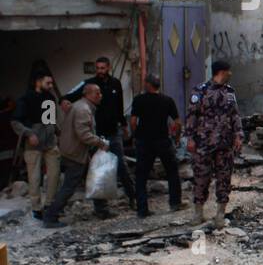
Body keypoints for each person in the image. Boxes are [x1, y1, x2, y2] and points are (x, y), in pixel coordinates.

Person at [65, 56, 134, 206]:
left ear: (108, 67)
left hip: (114, 133)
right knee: (97, 170)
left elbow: (119, 107)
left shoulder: (115, 83)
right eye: (98, 68)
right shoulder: (89, 84)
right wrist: (65, 104)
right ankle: (101, 209)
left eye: (103, 68)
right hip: (96, 135)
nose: (100, 71)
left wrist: (124, 125)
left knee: (122, 166)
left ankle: (133, 198)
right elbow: (67, 97)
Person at [184, 60, 242, 228]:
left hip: (225, 145)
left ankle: (220, 214)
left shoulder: (230, 92)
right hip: (203, 145)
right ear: (222, 72)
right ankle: (198, 213)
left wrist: (238, 135)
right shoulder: (200, 91)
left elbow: (235, 116)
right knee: (201, 179)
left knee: (224, 179)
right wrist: (190, 138)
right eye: (229, 71)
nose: (231, 74)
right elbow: (191, 116)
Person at [44, 83, 111, 228]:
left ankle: (102, 210)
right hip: (75, 153)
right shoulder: (83, 109)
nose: (100, 96)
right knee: (69, 186)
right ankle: (50, 217)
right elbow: (84, 135)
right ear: (87, 94)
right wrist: (101, 143)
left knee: (94, 180)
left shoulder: (82, 106)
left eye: (100, 93)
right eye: (97, 93)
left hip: (77, 151)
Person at [129, 75, 184, 218]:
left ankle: (142, 210)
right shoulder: (167, 100)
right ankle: (175, 203)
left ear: (147, 85)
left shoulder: (139, 100)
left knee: (141, 176)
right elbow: (177, 122)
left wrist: (136, 136)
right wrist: (177, 138)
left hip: (144, 142)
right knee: (172, 171)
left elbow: (133, 121)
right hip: (163, 141)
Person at [11, 71, 60, 221]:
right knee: (35, 177)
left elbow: (51, 120)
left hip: (50, 143)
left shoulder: (50, 98)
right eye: (48, 83)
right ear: (38, 82)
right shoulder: (25, 99)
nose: (51, 86)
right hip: (33, 145)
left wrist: (56, 131)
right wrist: (29, 134)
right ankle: (36, 208)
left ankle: (50, 204)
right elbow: (15, 122)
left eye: (52, 83)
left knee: (54, 174)